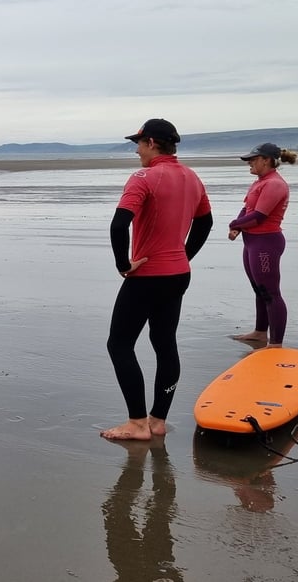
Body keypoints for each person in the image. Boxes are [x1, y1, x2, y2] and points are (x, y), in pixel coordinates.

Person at [103, 118, 213, 442]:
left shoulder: (144, 177)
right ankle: (158, 420)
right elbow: (205, 223)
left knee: (119, 344)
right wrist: (183, 255)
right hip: (178, 275)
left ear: (151, 142)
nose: (136, 151)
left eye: (138, 143)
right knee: (164, 343)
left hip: (147, 275)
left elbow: (118, 225)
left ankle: (137, 423)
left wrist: (123, 264)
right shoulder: (192, 177)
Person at [228, 143, 298, 348]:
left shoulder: (274, 184)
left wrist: (234, 224)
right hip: (252, 242)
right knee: (259, 290)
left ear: (266, 160)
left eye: (253, 159)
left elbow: (259, 216)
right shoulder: (260, 182)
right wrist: (238, 227)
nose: (249, 163)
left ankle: (275, 344)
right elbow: (247, 209)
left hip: (266, 242)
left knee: (270, 292)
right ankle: (260, 333)